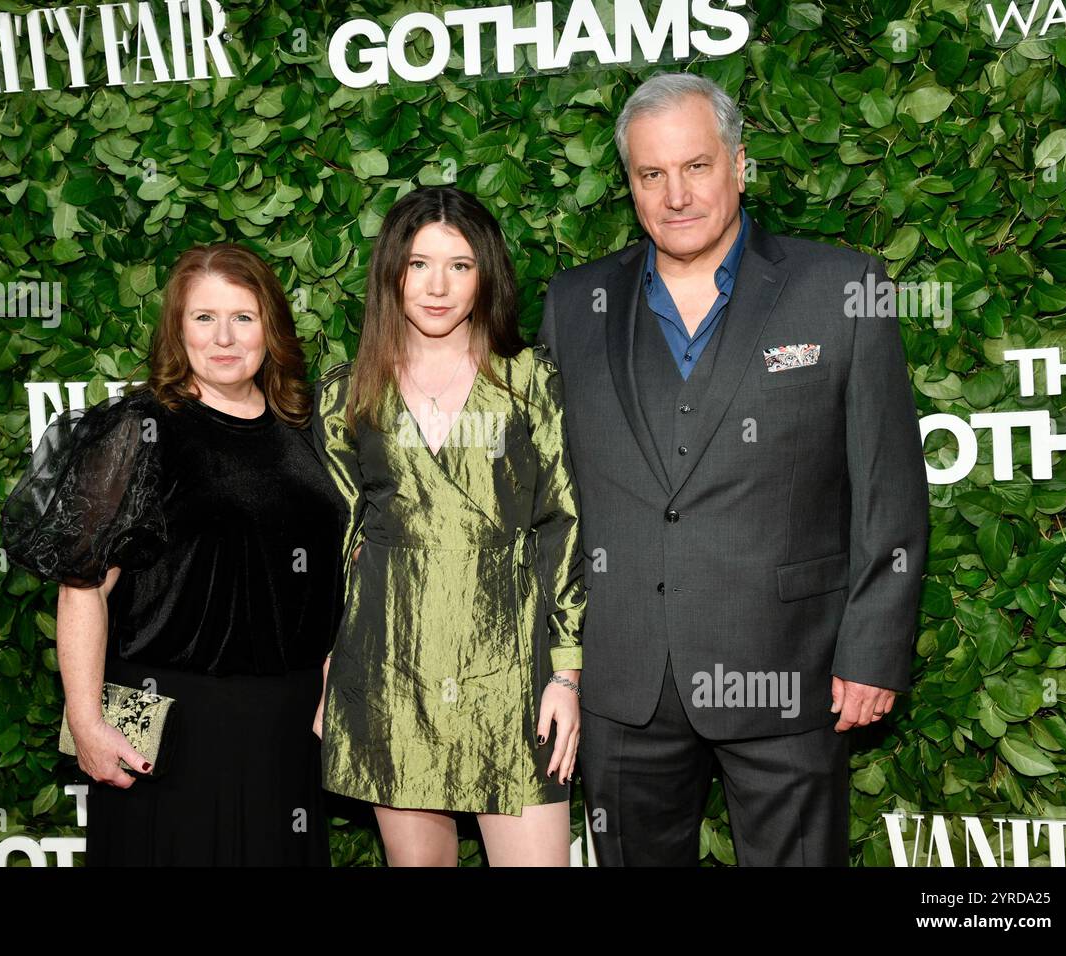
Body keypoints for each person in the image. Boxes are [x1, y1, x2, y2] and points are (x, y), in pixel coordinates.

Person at [539, 72, 930, 865]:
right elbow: (555, 497)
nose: (676, 194)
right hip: (626, 683)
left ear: (740, 165)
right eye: (652, 174)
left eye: (697, 166)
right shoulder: (575, 304)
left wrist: (873, 651)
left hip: (794, 670)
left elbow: (889, 487)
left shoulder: (843, 289)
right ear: (631, 184)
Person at [0, 243, 345, 865]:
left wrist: (327, 686)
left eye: (243, 317)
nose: (224, 338)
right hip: (168, 722)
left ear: (271, 327)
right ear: (177, 330)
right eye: (203, 318)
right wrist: (85, 720)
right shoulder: (140, 428)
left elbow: (325, 581)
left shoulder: (304, 431)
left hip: (285, 727)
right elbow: (84, 587)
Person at [311, 185, 586, 866]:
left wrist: (567, 674)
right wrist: (326, 673)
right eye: (418, 264)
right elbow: (340, 543)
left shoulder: (528, 379)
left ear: (486, 275)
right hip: (388, 664)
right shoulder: (347, 394)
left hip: (513, 669)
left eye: (460, 266)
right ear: (391, 275)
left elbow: (563, 525)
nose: (437, 286)